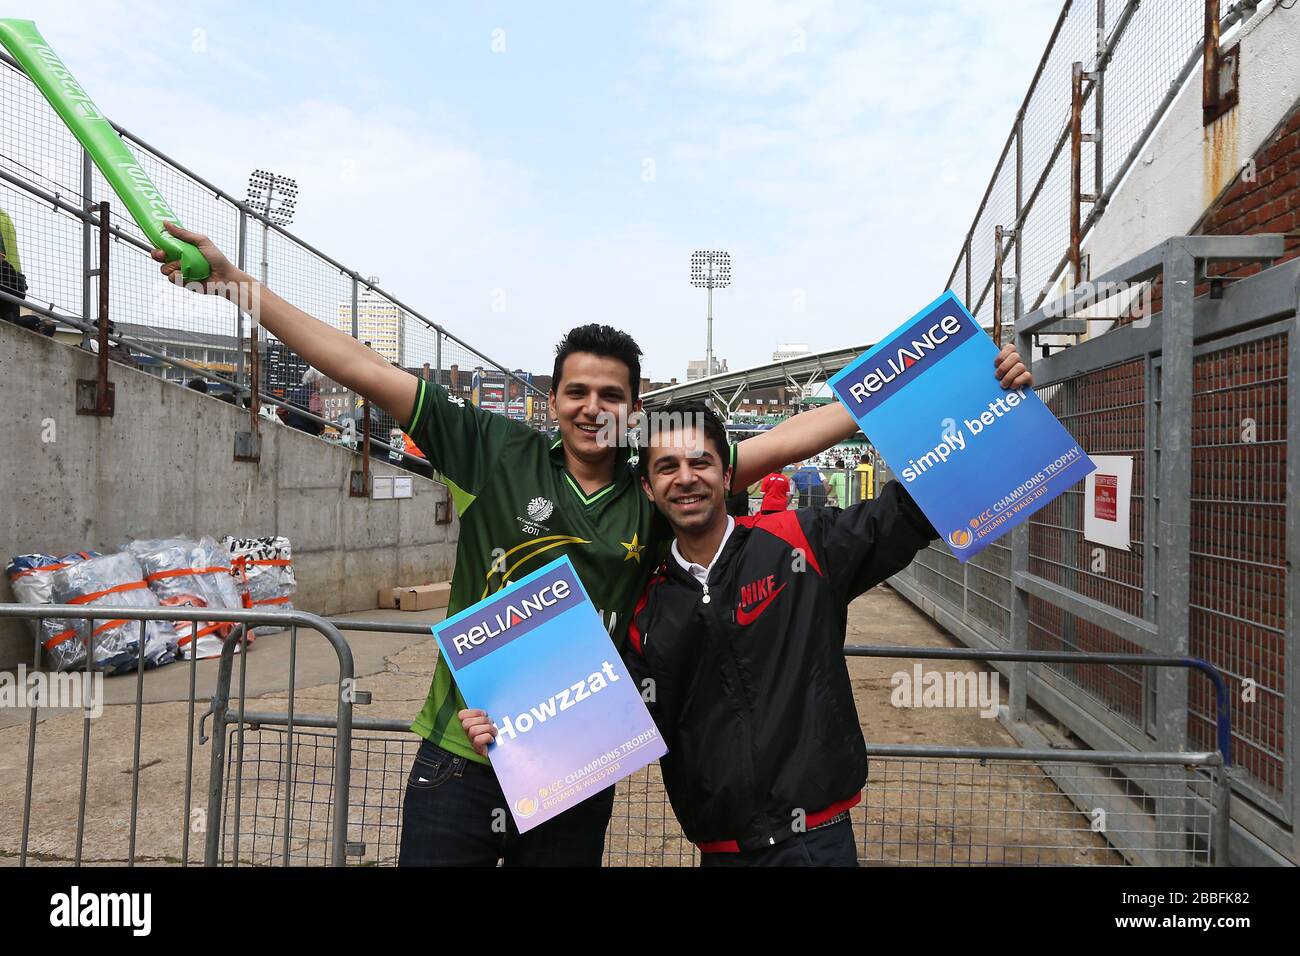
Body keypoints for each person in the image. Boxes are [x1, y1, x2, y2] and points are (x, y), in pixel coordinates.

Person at [151, 221, 980, 866]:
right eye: (576, 391)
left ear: (635, 404)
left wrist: (927, 377)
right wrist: (235, 285)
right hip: (460, 753)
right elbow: (360, 368)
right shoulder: (490, 449)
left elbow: (791, 438)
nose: (592, 406)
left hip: (570, 770)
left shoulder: (655, 483)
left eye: (611, 394)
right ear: (552, 400)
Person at [462, 385, 1033, 867]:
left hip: (820, 843)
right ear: (648, 487)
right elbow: (604, 721)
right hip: (723, 852)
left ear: (727, 472)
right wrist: (506, 728)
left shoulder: (803, 544)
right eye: (666, 467)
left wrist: (999, 404)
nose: (685, 478)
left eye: (700, 462)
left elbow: (914, 509)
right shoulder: (648, 611)